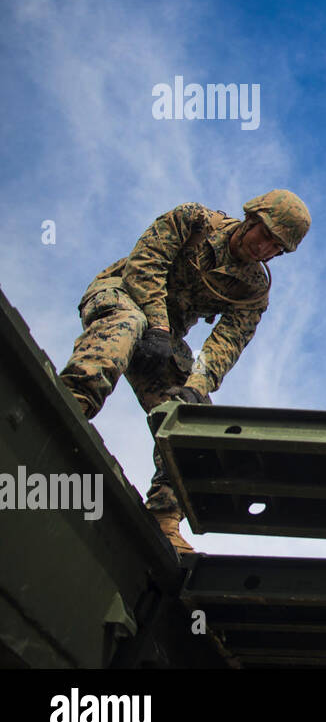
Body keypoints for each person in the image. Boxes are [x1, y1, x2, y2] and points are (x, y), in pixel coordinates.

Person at [59, 190, 311, 555]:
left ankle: (165, 516)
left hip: (167, 340)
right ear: (252, 218)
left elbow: (225, 344)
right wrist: (157, 325)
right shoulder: (193, 221)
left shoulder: (253, 290)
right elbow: (146, 263)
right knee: (127, 325)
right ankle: (68, 406)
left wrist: (195, 387)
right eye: (265, 235)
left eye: (277, 248)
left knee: (193, 418)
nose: (265, 249)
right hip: (122, 295)